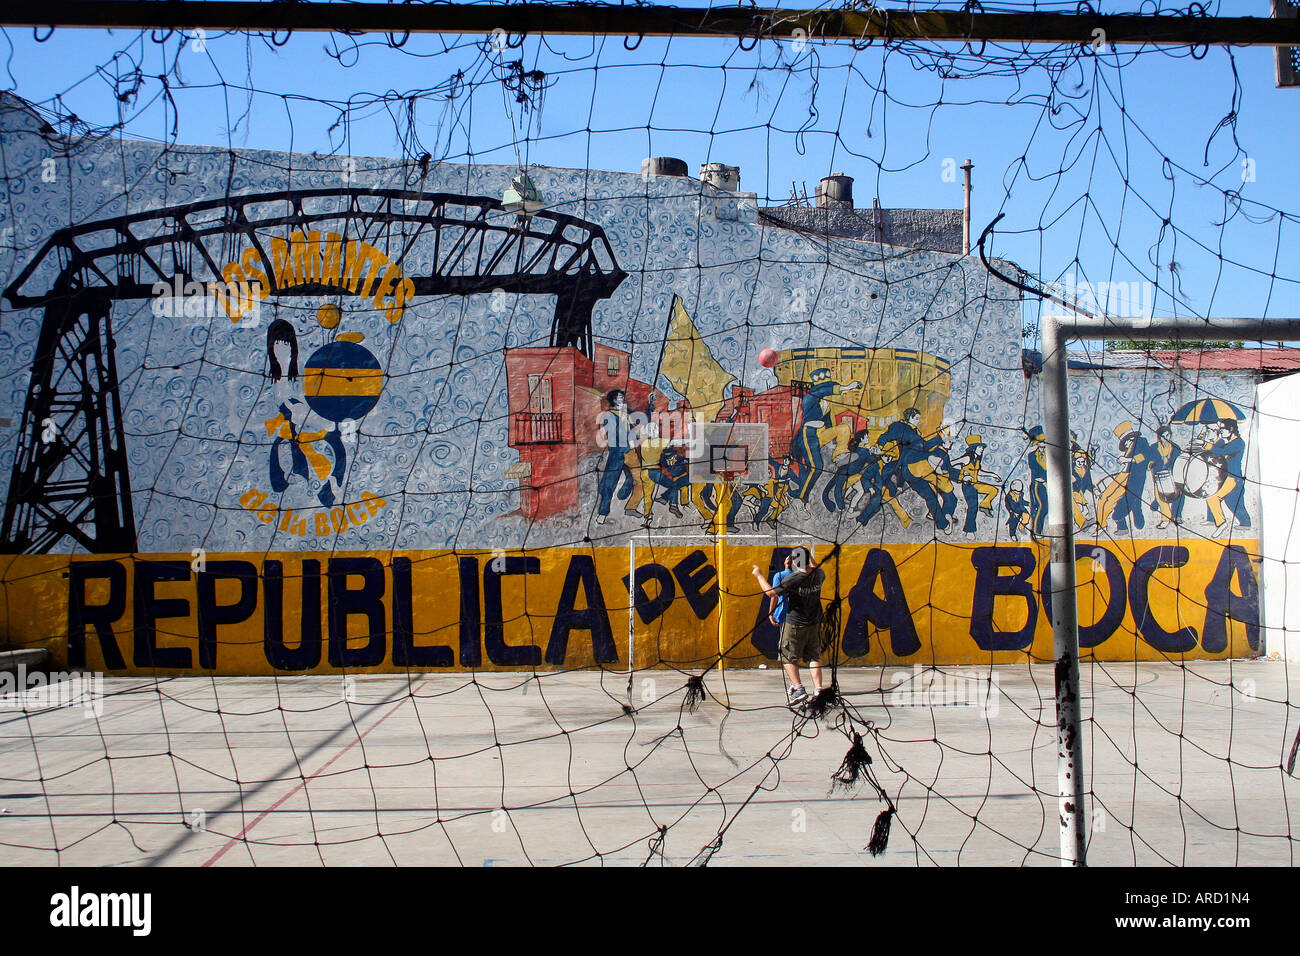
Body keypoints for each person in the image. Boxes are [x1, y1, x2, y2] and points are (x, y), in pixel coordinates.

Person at [751, 547, 827, 707]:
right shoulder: (819, 575)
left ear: (794, 561)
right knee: (814, 657)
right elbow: (817, 567)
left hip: (795, 623)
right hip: (814, 623)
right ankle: (819, 689)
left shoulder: (795, 578)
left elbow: (771, 593)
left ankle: (798, 688)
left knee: (787, 656)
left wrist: (759, 575)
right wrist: (808, 555)